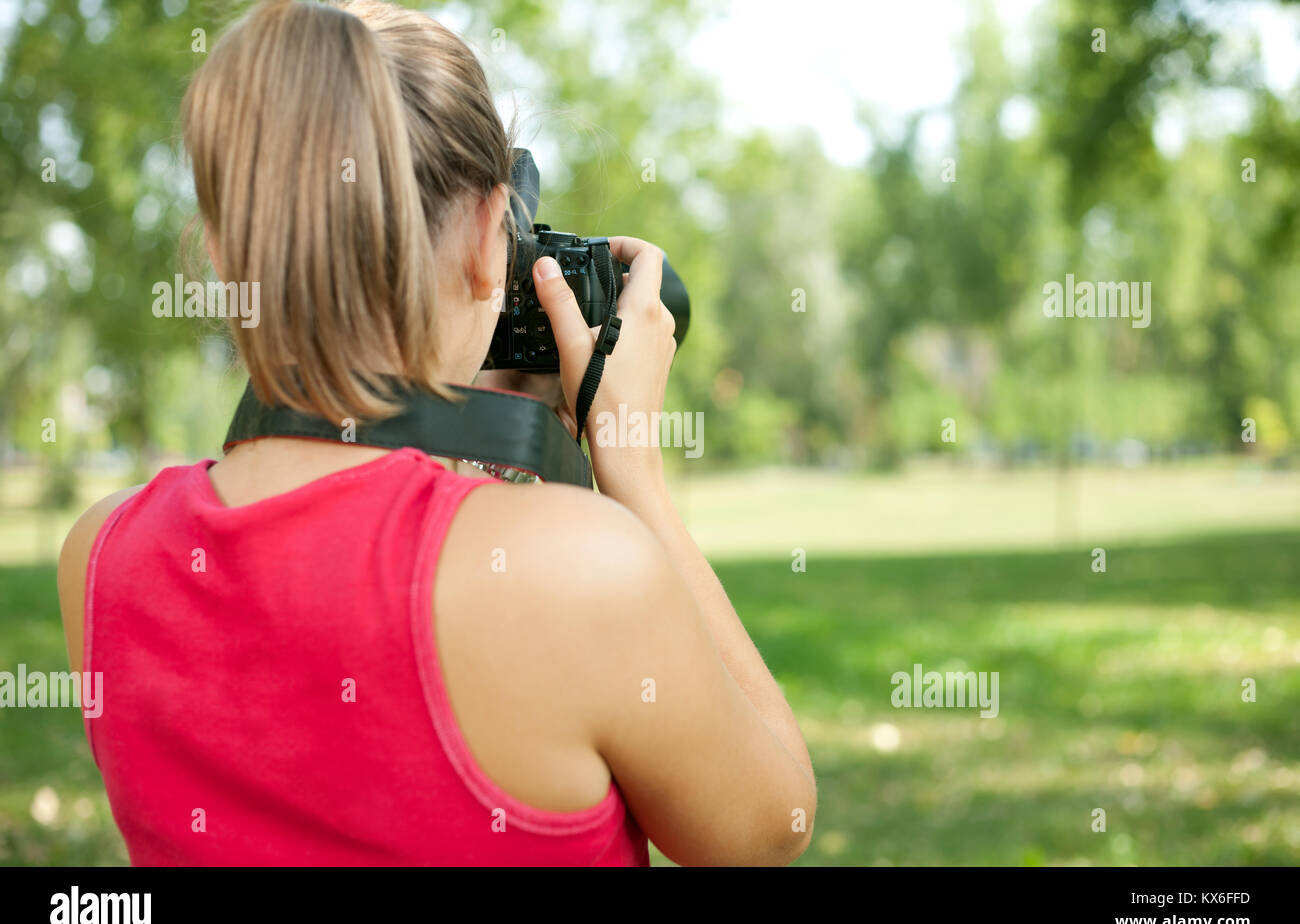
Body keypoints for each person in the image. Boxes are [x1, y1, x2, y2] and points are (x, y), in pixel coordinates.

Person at [56, 0, 815, 866]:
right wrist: (631, 473)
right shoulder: (581, 568)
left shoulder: (102, 555)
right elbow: (769, 829)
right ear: (492, 243)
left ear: (224, 260)